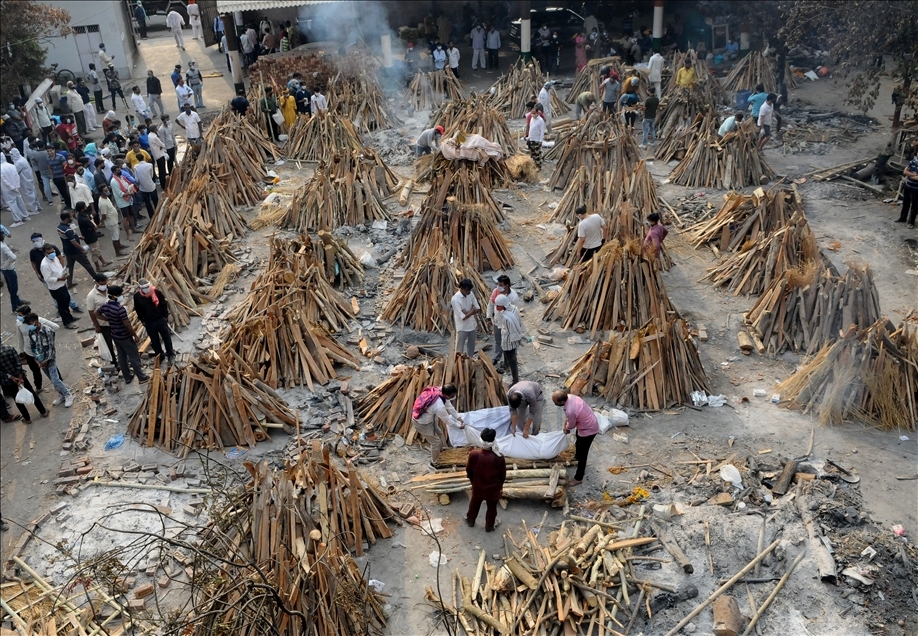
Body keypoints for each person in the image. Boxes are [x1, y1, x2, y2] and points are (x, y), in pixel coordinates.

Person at [96, 285, 149, 384]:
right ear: (115, 296)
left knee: (121, 356)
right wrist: (135, 335)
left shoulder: (105, 306)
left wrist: (107, 319)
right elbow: (127, 324)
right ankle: (141, 377)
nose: (121, 296)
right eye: (120, 295)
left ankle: (127, 377)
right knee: (134, 356)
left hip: (115, 335)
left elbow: (97, 314)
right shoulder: (120, 309)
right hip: (124, 336)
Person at [23, 313, 73, 407]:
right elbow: (33, 347)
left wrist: (46, 361)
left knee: (55, 380)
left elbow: (51, 348)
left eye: (30, 323)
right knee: (51, 379)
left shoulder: (48, 331)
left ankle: (67, 394)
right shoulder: (31, 332)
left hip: (50, 359)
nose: (29, 326)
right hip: (40, 360)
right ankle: (61, 394)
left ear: (36, 321)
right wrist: (37, 360)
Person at [411, 383, 464, 467]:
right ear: (446, 395)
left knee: (439, 433)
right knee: (435, 442)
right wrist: (459, 426)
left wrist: (459, 419)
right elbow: (447, 420)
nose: (453, 396)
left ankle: (440, 452)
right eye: (452, 395)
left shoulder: (440, 390)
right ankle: (434, 463)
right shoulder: (439, 406)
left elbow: (450, 408)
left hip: (430, 419)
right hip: (422, 423)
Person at [464, 428, 506, 532]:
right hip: (493, 489)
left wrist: (473, 483)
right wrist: (500, 487)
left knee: (474, 503)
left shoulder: (474, 454)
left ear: (481, 440)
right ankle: (489, 527)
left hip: (478, 487)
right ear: (493, 440)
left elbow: (469, 471)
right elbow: (502, 476)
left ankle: (470, 521)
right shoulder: (499, 457)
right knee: (492, 508)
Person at [553, 390, 598, 486]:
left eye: (556, 403)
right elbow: (570, 419)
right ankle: (576, 457)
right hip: (586, 423)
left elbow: (571, 425)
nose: (555, 404)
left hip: (588, 430)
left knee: (583, 454)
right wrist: (567, 423)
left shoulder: (570, 410)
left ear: (562, 402)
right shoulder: (570, 397)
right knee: (578, 442)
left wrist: (566, 428)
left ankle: (578, 478)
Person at [0, 343, 48, 423]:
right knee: (31, 392)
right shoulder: (10, 348)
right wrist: (20, 377)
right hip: (21, 376)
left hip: (8, 381)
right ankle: (43, 412)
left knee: (17, 399)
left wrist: (12, 377)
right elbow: (18, 363)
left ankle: (27, 419)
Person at [133, 278, 175, 366]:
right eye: (144, 287)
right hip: (149, 321)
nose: (147, 288)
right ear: (140, 288)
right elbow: (138, 309)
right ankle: (160, 355)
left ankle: (170, 354)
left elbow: (163, 304)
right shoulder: (137, 296)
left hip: (160, 319)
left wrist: (165, 316)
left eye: (148, 286)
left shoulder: (156, 292)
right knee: (154, 340)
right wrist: (142, 320)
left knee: (166, 338)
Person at [38, 245, 79, 328]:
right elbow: (48, 279)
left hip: (62, 284)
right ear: (45, 253)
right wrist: (60, 279)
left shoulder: (55, 258)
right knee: (62, 306)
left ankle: (69, 317)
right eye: (49, 253)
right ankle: (67, 323)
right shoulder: (45, 265)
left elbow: (59, 268)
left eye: (53, 251)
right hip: (56, 288)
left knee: (67, 301)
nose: (52, 253)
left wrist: (64, 275)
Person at [57, 210, 97, 286]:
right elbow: (73, 242)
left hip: (67, 250)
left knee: (70, 266)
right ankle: (97, 279)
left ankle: (69, 283)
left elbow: (67, 237)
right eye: (70, 217)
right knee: (87, 264)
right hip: (75, 251)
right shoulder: (67, 229)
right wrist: (82, 249)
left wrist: (77, 237)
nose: (71, 218)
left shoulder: (60, 227)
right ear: (66, 219)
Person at [485, 275, 518, 367]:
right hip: (497, 321)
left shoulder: (513, 296)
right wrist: (488, 317)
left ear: (506, 285)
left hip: (507, 324)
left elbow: (514, 312)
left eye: (500, 284)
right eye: (497, 284)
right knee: (498, 341)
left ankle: (509, 361)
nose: (498, 286)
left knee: (508, 343)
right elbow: (491, 305)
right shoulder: (496, 292)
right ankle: (497, 357)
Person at [86, 274, 117, 364]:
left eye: (105, 283)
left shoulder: (109, 290)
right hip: (103, 324)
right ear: (96, 283)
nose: (105, 285)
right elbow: (91, 312)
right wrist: (97, 326)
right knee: (109, 342)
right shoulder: (91, 296)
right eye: (102, 283)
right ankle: (113, 361)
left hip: (114, 321)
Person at [495, 295, 522, 384]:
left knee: (512, 360)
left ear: (503, 305)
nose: (496, 307)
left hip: (509, 340)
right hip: (514, 338)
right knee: (509, 355)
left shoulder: (506, 317)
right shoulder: (514, 308)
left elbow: (508, 331)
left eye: (498, 305)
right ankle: (506, 365)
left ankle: (515, 380)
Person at [451, 278, 481, 356]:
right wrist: (472, 311)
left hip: (472, 325)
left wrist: (468, 312)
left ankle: (470, 361)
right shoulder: (455, 299)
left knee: (471, 347)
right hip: (462, 327)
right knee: (459, 348)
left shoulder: (470, 294)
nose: (469, 292)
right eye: (467, 290)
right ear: (462, 288)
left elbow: (477, 308)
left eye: (469, 290)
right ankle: (458, 363)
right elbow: (463, 317)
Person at [75, 202, 109, 269]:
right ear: (82, 209)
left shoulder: (81, 215)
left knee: (97, 250)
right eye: (84, 206)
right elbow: (95, 227)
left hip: (90, 235)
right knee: (95, 252)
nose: (86, 207)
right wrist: (92, 221)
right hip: (90, 237)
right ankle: (98, 267)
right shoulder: (84, 219)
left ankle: (103, 262)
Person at [97, 183, 129, 254]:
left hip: (114, 220)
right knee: (115, 237)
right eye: (105, 191)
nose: (107, 191)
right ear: (101, 192)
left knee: (117, 234)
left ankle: (119, 246)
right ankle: (117, 252)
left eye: (107, 190)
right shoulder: (103, 203)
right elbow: (104, 215)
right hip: (110, 222)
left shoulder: (106, 198)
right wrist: (100, 222)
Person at [1, 154, 30, 227]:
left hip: (7, 189)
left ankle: (17, 220)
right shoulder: (12, 165)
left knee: (12, 203)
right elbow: (17, 176)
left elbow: (4, 180)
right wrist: (16, 186)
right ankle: (25, 215)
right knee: (20, 201)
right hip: (16, 187)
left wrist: (11, 187)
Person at [0, 232, 26, 311]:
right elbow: (13, 257)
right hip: (8, 269)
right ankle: (14, 307)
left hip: (3, 268)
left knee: (10, 286)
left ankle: (17, 301)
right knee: (14, 288)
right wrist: (6, 264)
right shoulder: (3, 247)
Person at [110, 165, 139, 235]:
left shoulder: (122, 178)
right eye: (118, 170)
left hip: (128, 199)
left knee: (131, 215)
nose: (119, 171)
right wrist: (129, 194)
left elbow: (127, 186)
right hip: (122, 202)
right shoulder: (113, 181)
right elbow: (120, 193)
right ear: (114, 172)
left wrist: (131, 190)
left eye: (119, 169)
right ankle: (128, 234)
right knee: (125, 218)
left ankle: (134, 229)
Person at [896, 143, 918, 228]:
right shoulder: (913, 161)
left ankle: (911, 222)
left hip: (916, 188)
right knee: (906, 203)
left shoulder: (913, 163)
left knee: (914, 205)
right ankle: (902, 218)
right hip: (908, 185)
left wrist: (910, 174)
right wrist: (914, 175)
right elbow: (905, 172)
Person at [133, 153, 157, 218]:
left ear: (137, 159)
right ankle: (158, 213)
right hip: (151, 185)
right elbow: (151, 175)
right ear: (143, 157)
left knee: (147, 203)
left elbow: (137, 179)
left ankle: (151, 216)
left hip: (143, 187)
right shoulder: (150, 165)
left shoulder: (136, 167)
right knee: (155, 201)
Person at [527, 104, 545, 169]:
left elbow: (542, 131)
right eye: (532, 113)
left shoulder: (540, 121)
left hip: (537, 140)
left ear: (537, 113)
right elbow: (530, 128)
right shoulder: (532, 119)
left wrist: (540, 141)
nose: (533, 115)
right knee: (533, 154)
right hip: (531, 138)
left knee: (537, 155)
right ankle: (534, 165)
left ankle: (538, 166)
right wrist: (529, 137)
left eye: (534, 113)